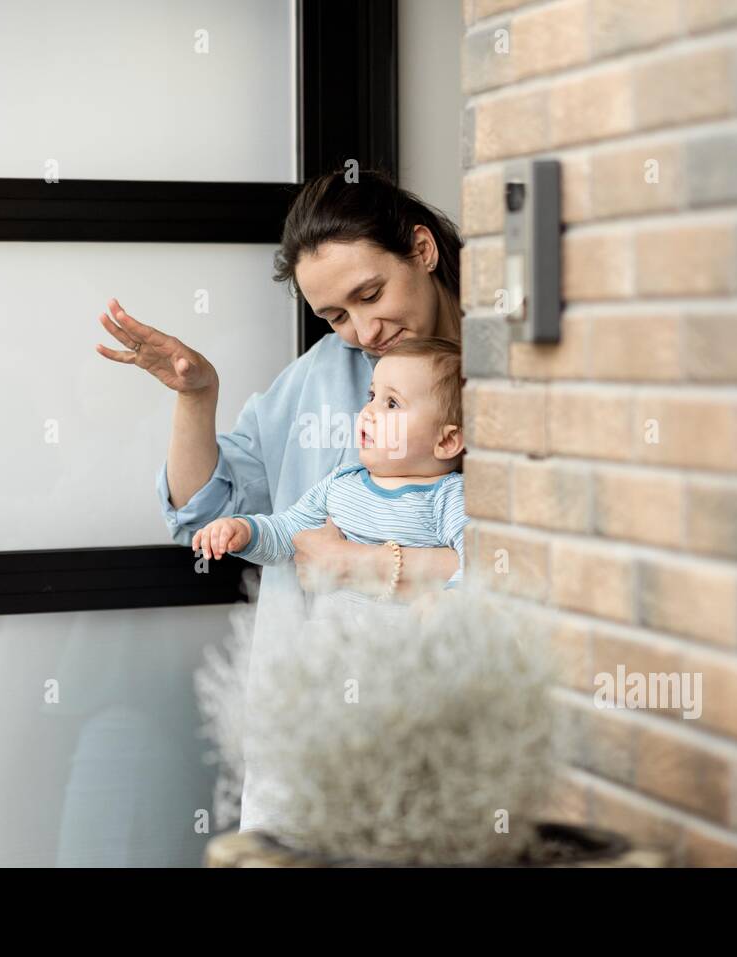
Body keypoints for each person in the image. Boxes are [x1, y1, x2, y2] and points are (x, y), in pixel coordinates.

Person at [95, 169, 464, 831]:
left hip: (448, 728)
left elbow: (514, 560)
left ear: (423, 249)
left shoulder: (502, 376)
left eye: (370, 293)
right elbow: (205, 514)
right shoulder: (321, 377)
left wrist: (360, 564)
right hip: (311, 733)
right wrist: (196, 397)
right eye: (337, 315)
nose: (363, 329)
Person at [191, 337, 467, 612]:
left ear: (446, 442)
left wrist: (449, 605)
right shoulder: (341, 483)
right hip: (333, 651)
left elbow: (479, 564)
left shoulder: (451, 497)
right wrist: (245, 531)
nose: (368, 412)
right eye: (371, 396)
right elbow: (287, 533)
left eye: (392, 403)